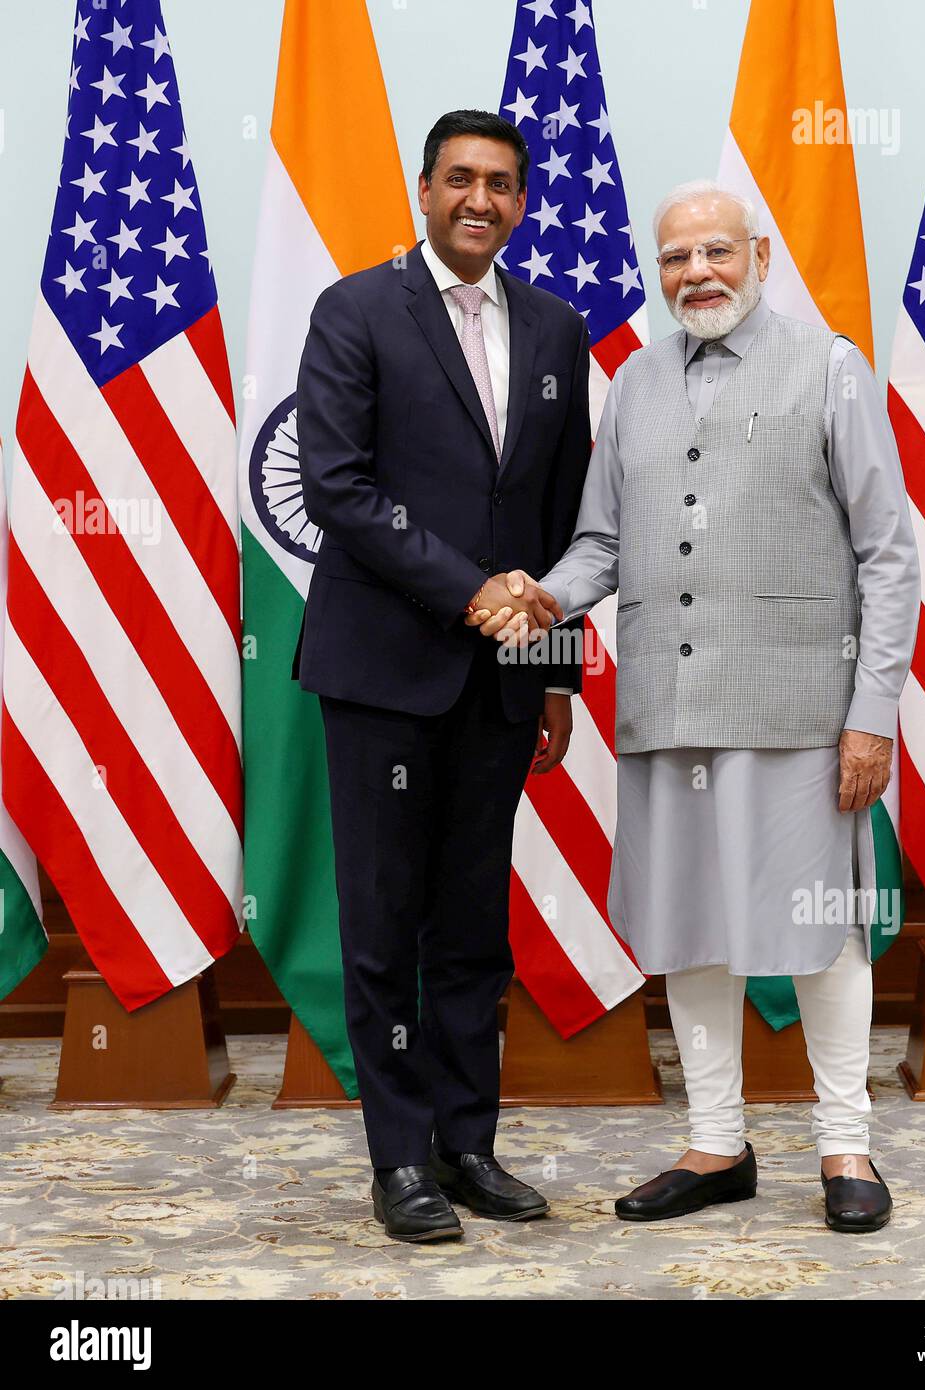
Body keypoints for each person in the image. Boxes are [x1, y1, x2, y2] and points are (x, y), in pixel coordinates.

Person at [470, 180, 921, 1233]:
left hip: (799, 710)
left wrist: (872, 714)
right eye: (675, 259)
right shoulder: (630, 382)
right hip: (670, 712)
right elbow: (602, 545)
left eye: (715, 252)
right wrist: (542, 600)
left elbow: (889, 557)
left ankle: (844, 1142)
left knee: (823, 933)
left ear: (756, 253)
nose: (696, 274)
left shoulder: (831, 368)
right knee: (691, 929)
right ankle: (716, 1141)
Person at [293, 110, 591, 1242]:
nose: (481, 199)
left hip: (506, 686)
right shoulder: (357, 310)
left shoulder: (559, 330)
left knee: (473, 925)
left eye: (502, 184)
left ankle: (469, 1144)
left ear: (522, 203)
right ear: (424, 190)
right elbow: (339, 487)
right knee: (383, 923)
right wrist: (472, 593)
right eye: (460, 179)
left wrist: (554, 674)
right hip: (385, 671)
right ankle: (399, 1160)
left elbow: (562, 518)